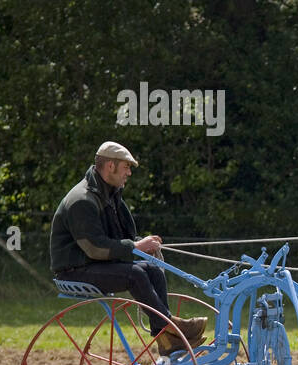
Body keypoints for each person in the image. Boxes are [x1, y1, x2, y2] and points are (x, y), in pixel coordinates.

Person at [50, 141, 206, 354]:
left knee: (152, 269)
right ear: (110, 166)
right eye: (127, 167)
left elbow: (120, 238)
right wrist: (135, 246)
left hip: (95, 265)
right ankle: (171, 327)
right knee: (134, 274)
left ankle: (166, 340)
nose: (130, 173)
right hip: (75, 270)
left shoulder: (110, 195)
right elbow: (94, 248)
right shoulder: (82, 200)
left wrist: (141, 245)